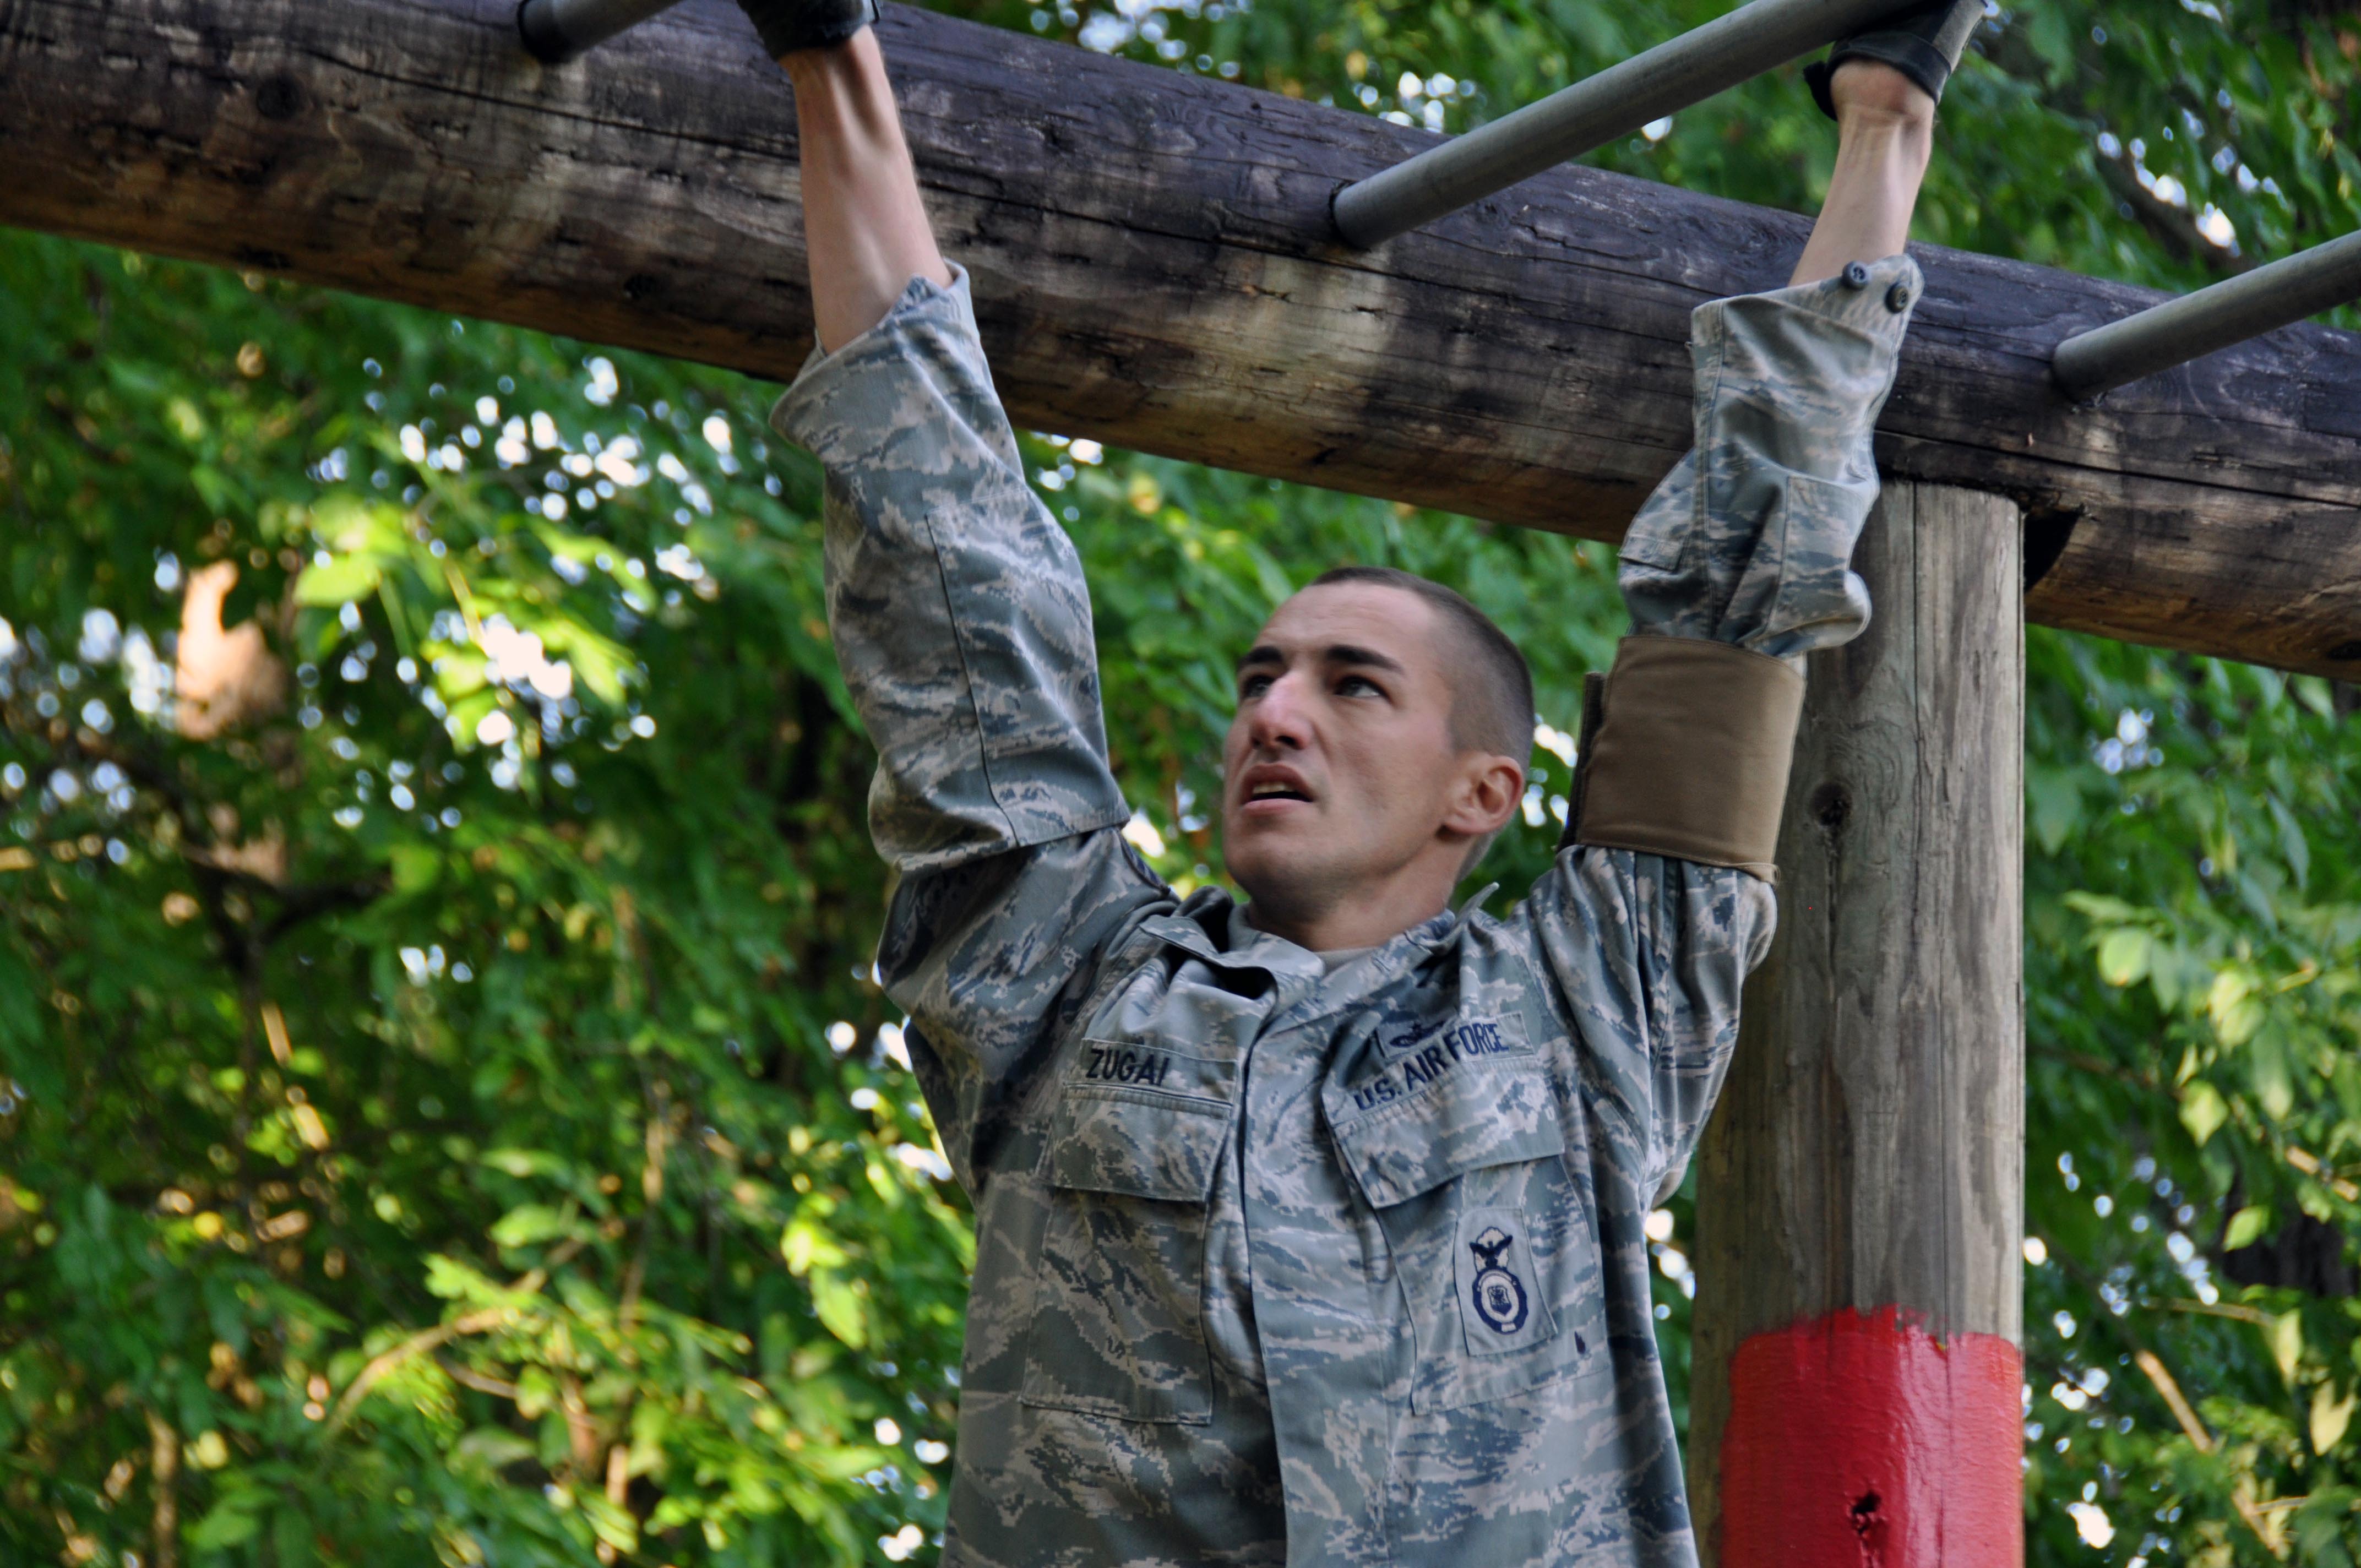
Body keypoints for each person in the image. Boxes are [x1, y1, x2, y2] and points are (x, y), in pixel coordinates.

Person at [749, 1, 1979, 1561]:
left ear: (1485, 791)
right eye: (1258, 678)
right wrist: (828, 55)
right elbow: (950, 560)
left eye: (1352, 685)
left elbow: (1743, 578)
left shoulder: (1591, 1014)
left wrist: (1886, 118)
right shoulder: (1064, 981)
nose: (1275, 713)